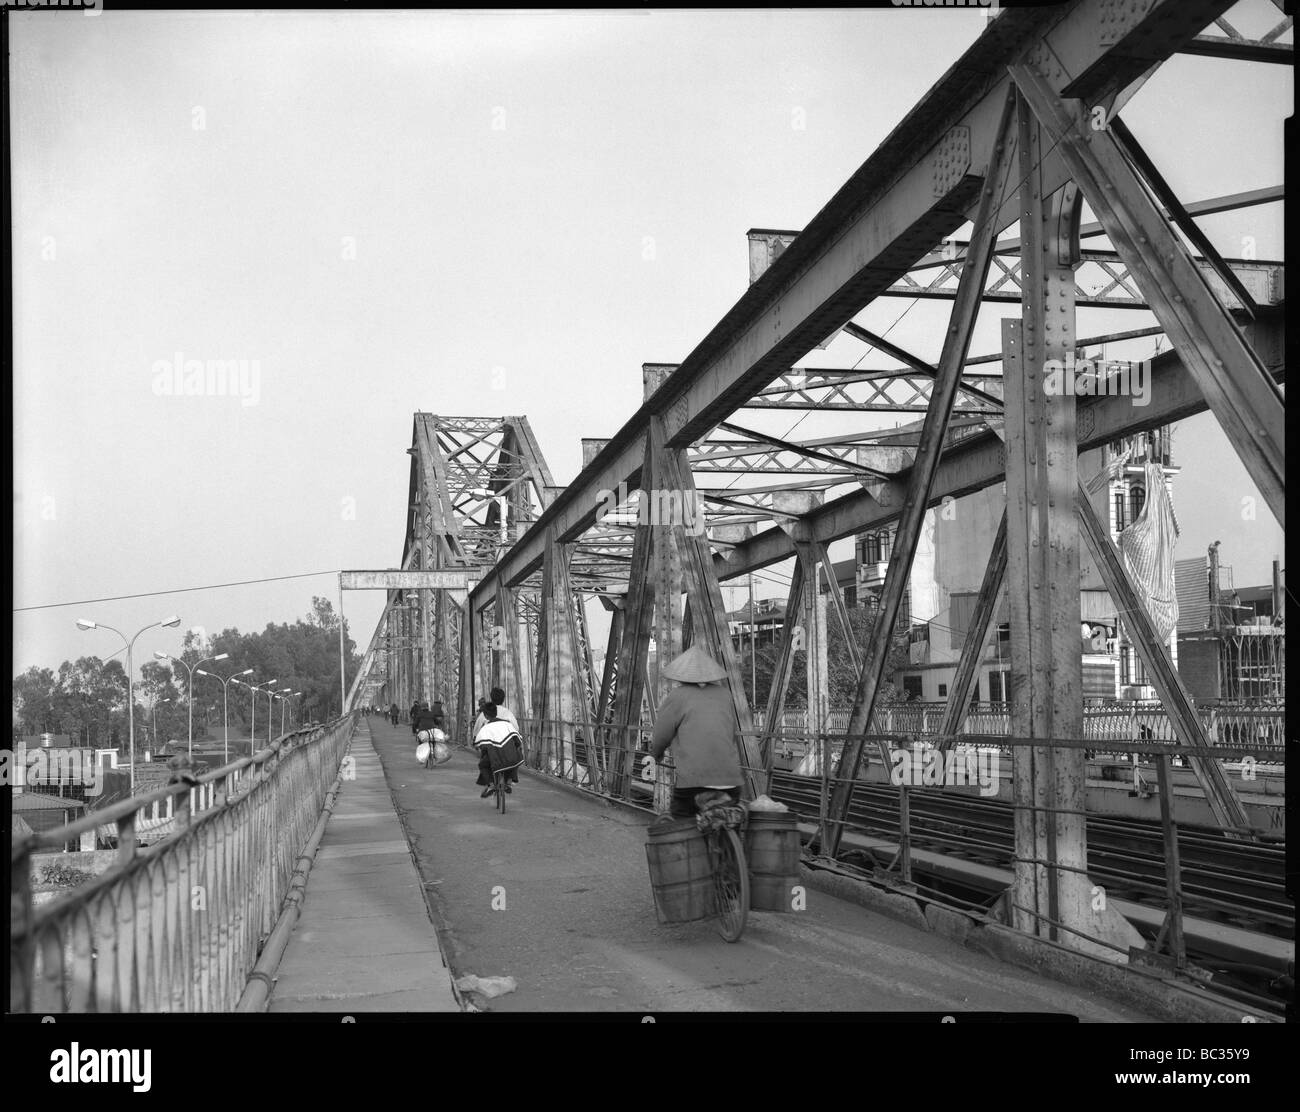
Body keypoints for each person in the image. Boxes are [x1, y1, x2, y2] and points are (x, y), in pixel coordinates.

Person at [649, 645, 744, 819]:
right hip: (731, 780)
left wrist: (656, 754)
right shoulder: (725, 695)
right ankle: (733, 845)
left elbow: (661, 734)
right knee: (731, 822)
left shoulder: (677, 696)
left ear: (680, 675)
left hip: (694, 783)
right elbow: (730, 733)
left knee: (681, 823)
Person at [475, 702, 523, 798]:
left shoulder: (485, 728)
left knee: (483, 765)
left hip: (495, 760)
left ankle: (491, 785)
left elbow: (481, 746)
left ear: (485, 715)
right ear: (496, 712)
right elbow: (518, 740)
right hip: (510, 759)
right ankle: (509, 781)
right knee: (515, 757)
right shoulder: (508, 724)